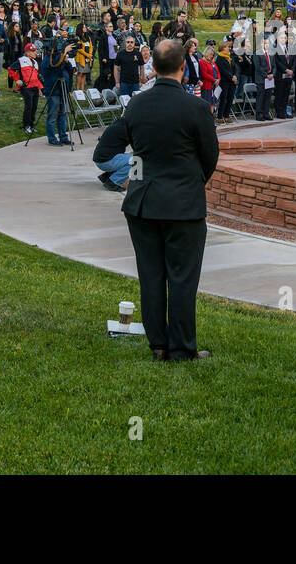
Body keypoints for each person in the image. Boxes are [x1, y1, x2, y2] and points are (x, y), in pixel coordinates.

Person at [93, 39, 220, 361]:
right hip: (183, 204)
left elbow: (108, 148)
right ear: (182, 67)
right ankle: (181, 348)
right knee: (182, 278)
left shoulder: (136, 105)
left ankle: (158, 345)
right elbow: (210, 157)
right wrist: (191, 182)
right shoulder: (196, 107)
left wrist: (138, 174)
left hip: (142, 202)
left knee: (151, 276)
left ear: (155, 68)